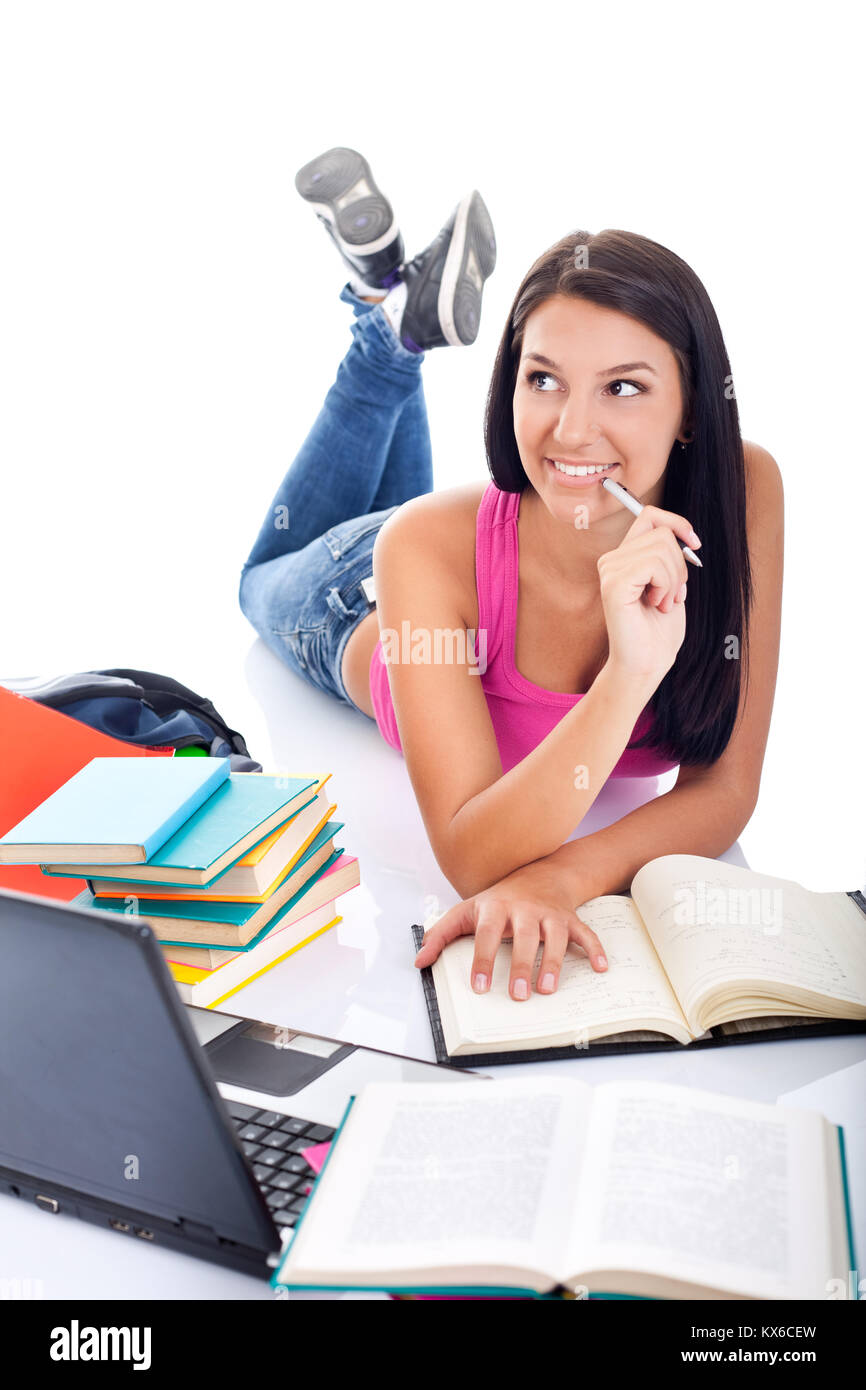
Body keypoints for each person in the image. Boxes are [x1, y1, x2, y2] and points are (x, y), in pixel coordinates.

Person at [239, 146, 784, 1004]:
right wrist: (627, 676)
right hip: (351, 592)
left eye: (625, 389)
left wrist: (564, 877)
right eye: (544, 380)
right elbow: (474, 856)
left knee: (415, 515)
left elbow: (728, 788)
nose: (572, 430)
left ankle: (397, 315)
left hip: (461, 542)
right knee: (260, 575)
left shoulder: (743, 490)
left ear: (691, 409)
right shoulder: (424, 546)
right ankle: (387, 338)